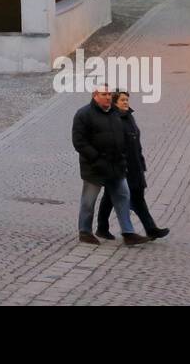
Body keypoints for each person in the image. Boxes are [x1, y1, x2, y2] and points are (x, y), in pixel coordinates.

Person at [71, 86, 149, 245]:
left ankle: (128, 233)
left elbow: (123, 136)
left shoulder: (115, 113)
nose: (107, 97)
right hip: (95, 167)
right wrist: (96, 158)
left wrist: (124, 158)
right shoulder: (84, 114)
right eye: (104, 94)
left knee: (123, 197)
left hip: (116, 166)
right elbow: (79, 142)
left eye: (109, 94)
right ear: (95, 96)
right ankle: (85, 231)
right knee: (89, 201)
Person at [97, 91, 169, 240]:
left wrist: (141, 162)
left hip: (134, 165)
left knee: (135, 197)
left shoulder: (129, 117)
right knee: (112, 197)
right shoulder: (114, 119)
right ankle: (107, 229)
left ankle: (150, 229)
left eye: (127, 99)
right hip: (121, 166)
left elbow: (136, 142)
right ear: (115, 103)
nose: (125, 102)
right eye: (122, 100)